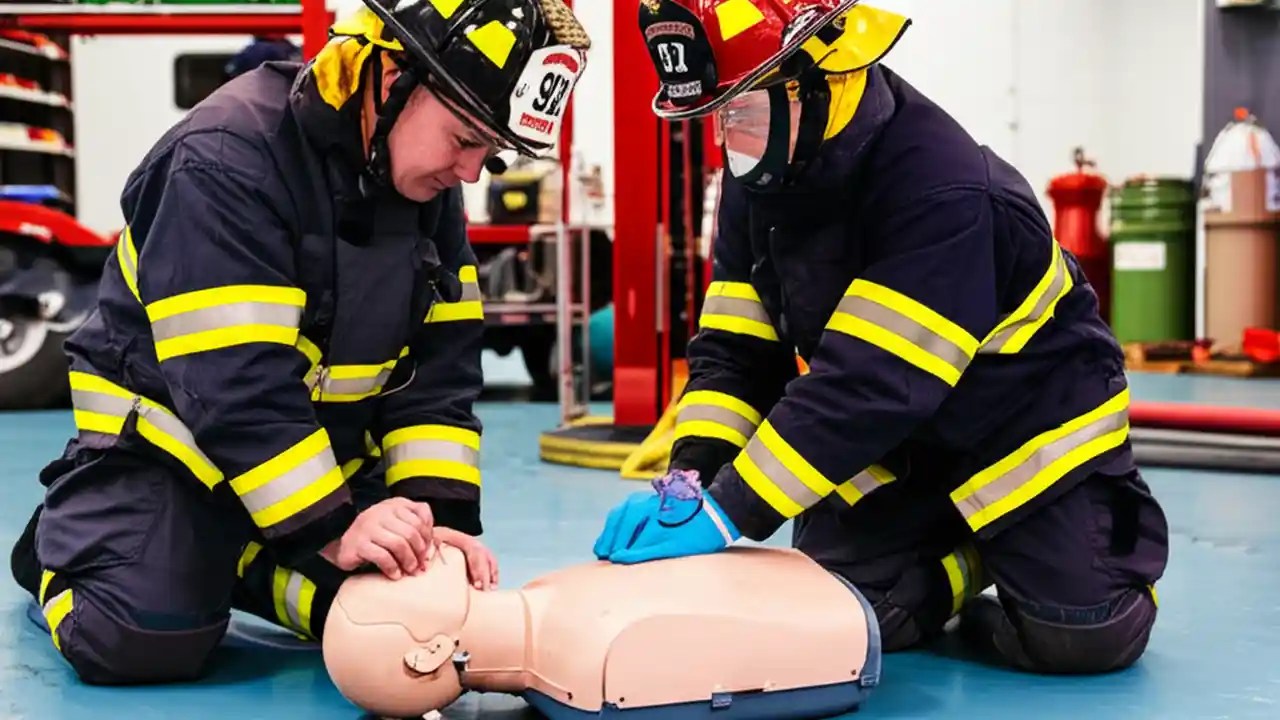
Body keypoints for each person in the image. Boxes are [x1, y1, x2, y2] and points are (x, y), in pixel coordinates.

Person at [8, 0, 590, 685]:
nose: (469, 173)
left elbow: (440, 374)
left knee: (396, 617)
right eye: (464, 138)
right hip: (173, 456)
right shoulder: (225, 161)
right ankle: (57, 549)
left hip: (305, 463)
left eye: (488, 153)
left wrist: (440, 522)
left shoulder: (422, 188)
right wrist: (331, 529)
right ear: (388, 77)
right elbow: (234, 380)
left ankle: (244, 559)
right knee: (137, 638)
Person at [593, 0, 1169, 675]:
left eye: (743, 111)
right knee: (843, 618)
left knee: (1080, 637)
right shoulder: (764, 178)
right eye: (721, 117)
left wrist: (730, 511)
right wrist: (690, 481)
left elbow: (869, 385)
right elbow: (736, 355)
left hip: (1022, 441)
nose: (732, 144)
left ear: (822, 78)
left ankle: (1013, 544)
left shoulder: (943, 189)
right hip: (901, 444)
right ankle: (962, 559)